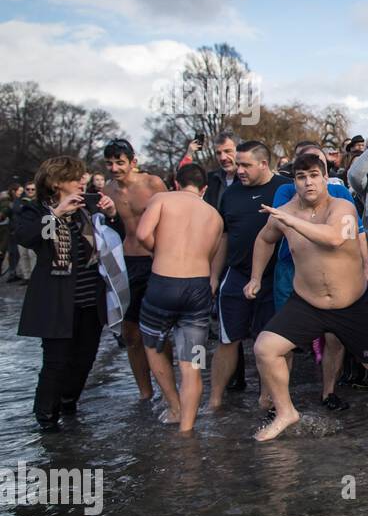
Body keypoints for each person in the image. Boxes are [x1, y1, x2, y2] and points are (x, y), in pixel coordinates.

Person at [245, 153, 368, 442]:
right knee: (265, 348)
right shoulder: (285, 212)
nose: (308, 182)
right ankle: (286, 412)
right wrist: (255, 277)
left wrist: (288, 221)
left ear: (325, 177)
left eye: (314, 175)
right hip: (308, 303)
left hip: (351, 304)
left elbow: (332, 238)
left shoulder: (341, 206)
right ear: (294, 181)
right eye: (301, 177)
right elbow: (264, 239)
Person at [15, 156, 125, 431]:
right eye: (75, 177)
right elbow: (29, 237)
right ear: (55, 183)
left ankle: (69, 402)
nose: (82, 180)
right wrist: (57, 212)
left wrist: (112, 215)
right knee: (55, 363)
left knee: (85, 359)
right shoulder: (35, 211)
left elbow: (116, 237)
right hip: (55, 302)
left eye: (82, 176)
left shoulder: (86, 208)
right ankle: (46, 420)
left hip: (90, 299)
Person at [134, 162, 224, 433]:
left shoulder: (162, 199)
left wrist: (158, 250)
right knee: (192, 363)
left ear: (175, 183)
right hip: (197, 288)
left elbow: (141, 234)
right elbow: (209, 254)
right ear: (204, 188)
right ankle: (187, 429)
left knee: (152, 345)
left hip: (163, 283)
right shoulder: (215, 216)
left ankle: (173, 406)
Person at [208, 141, 293, 410]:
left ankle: (268, 399)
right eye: (238, 164)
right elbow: (224, 236)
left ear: (264, 164)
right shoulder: (230, 193)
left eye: (246, 165)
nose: (239, 170)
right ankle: (214, 400)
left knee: (268, 342)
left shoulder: (284, 188)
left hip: (274, 277)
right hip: (236, 273)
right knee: (227, 339)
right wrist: (213, 276)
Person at [103, 139, 167, 401]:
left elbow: (170, 217)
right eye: (109, 163)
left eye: (120, 162)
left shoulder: (152, 184)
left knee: (157, 329)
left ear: (133, 162)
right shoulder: (108, 190)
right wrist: (109, 215)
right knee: (130, 332)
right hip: (126, 264)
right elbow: (105, 229)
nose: (115, 168)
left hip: (154, 260)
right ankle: (144, 392)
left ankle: (167, 389)